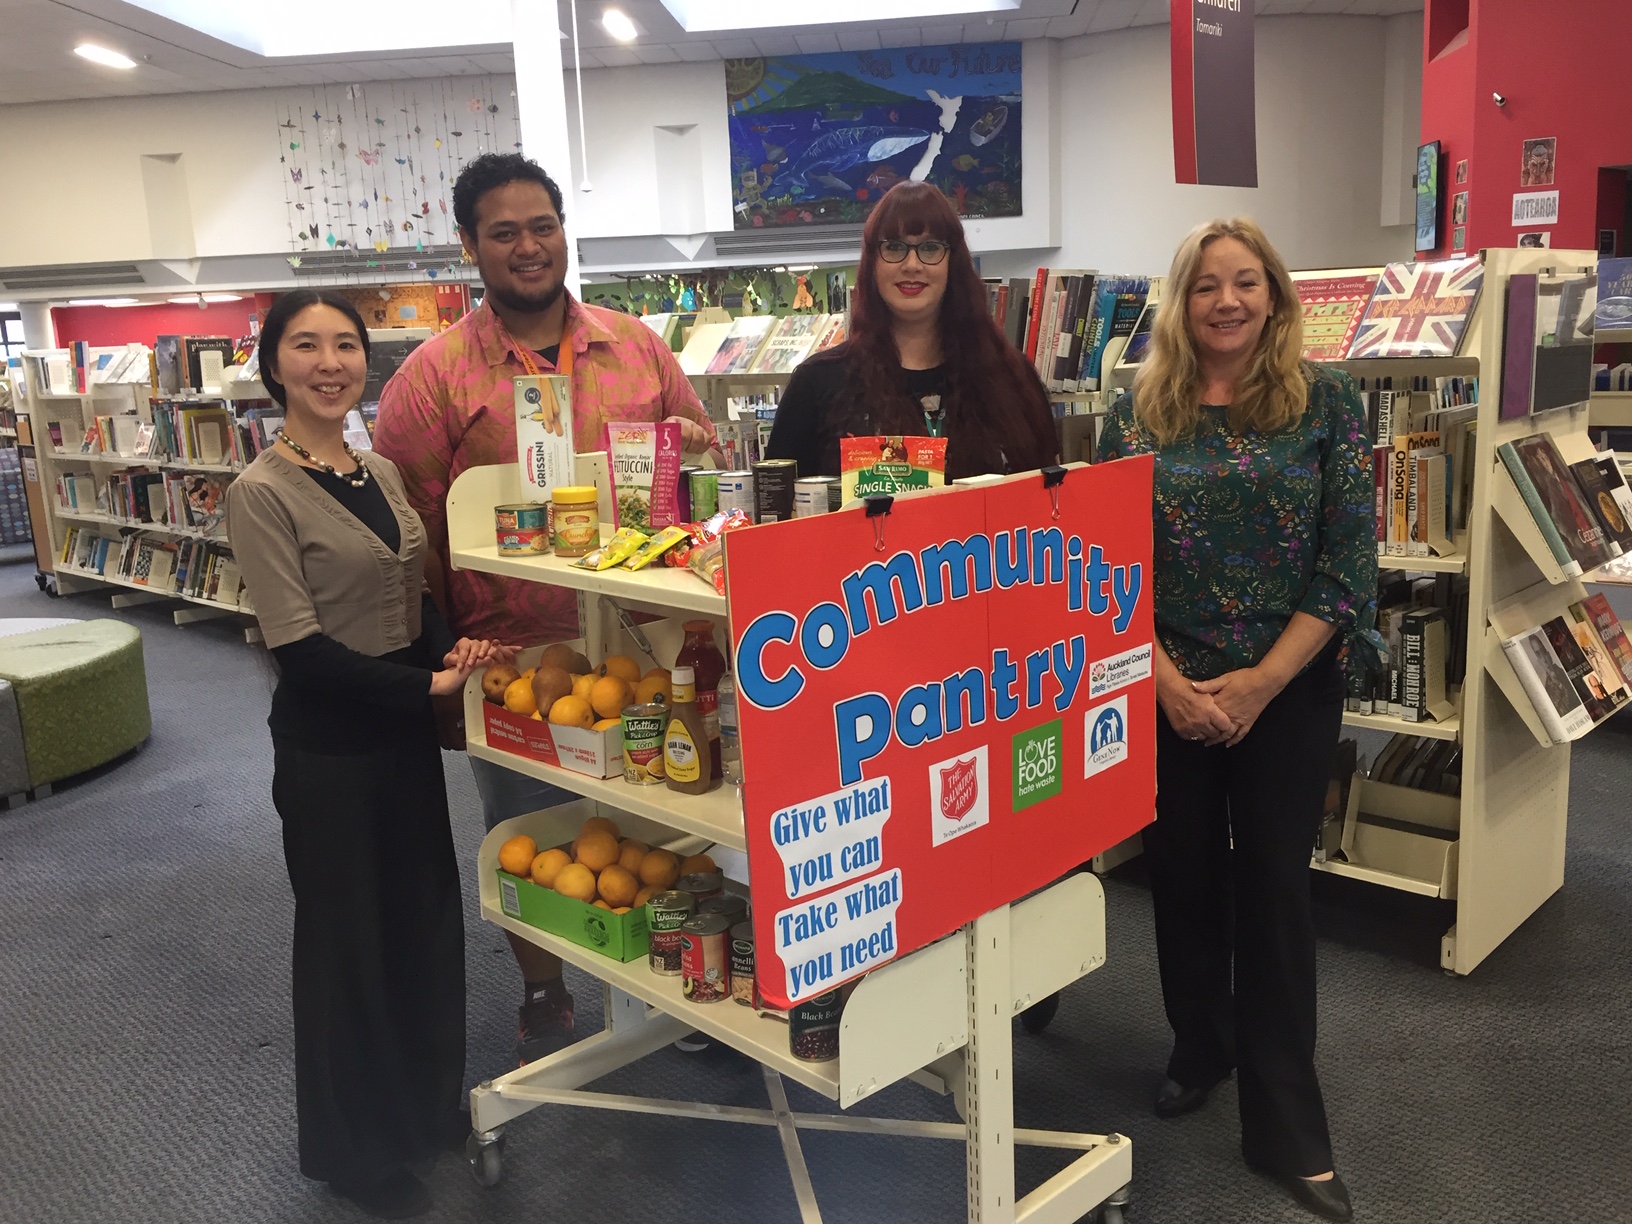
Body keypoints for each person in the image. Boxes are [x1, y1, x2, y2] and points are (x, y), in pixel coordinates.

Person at [373, 152, 719, 1065]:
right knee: (530, 834)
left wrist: (689, 444)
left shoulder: (635, 344)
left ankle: (674, 967)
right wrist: (437, 670)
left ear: (565, 232)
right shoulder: (432, 377)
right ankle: (545, 986)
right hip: (517, 661)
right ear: (469, 247)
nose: (529, 247)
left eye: (543, 226)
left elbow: (703, 455)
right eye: (504, 232)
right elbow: (405, 541)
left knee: (659, 821)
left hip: (648, 641)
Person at [1097, 218, 1379, 1223]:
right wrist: (1168, 682)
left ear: (1275, 297)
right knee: (1179, 877)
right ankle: (1198, 1045)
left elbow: (1349, 563)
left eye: (1246, 282)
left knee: (1272, 891)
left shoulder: (1327, 402)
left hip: (1287, 683)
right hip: (1166, 681)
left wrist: (1259, 682)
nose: (1227, 300)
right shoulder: (1137, 415)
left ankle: (1288, 1122)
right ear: (1181, 302)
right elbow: (1101, 567)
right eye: (1207, 284)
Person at [229, 290, 507, 1219]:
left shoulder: (379, 471)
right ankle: (355, 1153)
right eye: (305, 345)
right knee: (349, 946)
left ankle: (424, 1112)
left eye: (344, 344)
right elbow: (298, 650)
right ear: (275, 367)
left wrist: (447, 652)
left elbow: (408, 594)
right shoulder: (260, 492)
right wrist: (425, 689)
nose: (329, 361)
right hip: (330, 747)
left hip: (397, 737)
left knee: (421, 922)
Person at [765, 180, 1059, 482]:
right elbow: (775, 512)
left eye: (930, 248)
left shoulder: (1012, 380)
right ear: (872, 263)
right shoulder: (817, 384)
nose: (912, 264)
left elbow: (1050, 496)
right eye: (894, 247)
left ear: (952, 263)